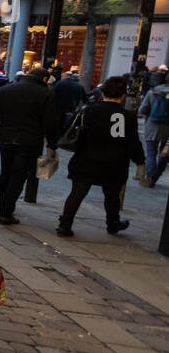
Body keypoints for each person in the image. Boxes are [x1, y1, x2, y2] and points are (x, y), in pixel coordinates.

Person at [57, 75, 145, 237]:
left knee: (77, 193)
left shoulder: (88, 110)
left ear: (102, 92)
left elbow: (74, 133)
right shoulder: (128, 117)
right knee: (112, 196)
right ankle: (113, 223)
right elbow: (133, 143)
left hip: (86, 159)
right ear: (123, 95)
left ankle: (65, 225)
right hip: (115, 162)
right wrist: (140, 163)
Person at [0, 67, 60, 226]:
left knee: (5, 172)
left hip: (6, 136)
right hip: (30, 139)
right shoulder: (46, 94)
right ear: (44, 79)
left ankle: (4, 203)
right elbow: (50, 122)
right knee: (19, 175)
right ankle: (6, 210)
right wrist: (52, 143)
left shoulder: (5, 90)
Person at [137, 74, 169, 187]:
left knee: (151, 152)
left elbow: (142, 110)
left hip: (153, 125)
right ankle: (155, 176)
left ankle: (150, 175)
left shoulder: (153, 92)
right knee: (165, 154)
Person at [53, 69, 86, 135]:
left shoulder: (59, 84)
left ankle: (56, 141)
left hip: (59, 109)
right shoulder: (79, 86)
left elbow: (53, 95)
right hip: (71, 109)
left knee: (57, 126)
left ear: (65, 76)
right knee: (68, 127)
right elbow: (85, 99)